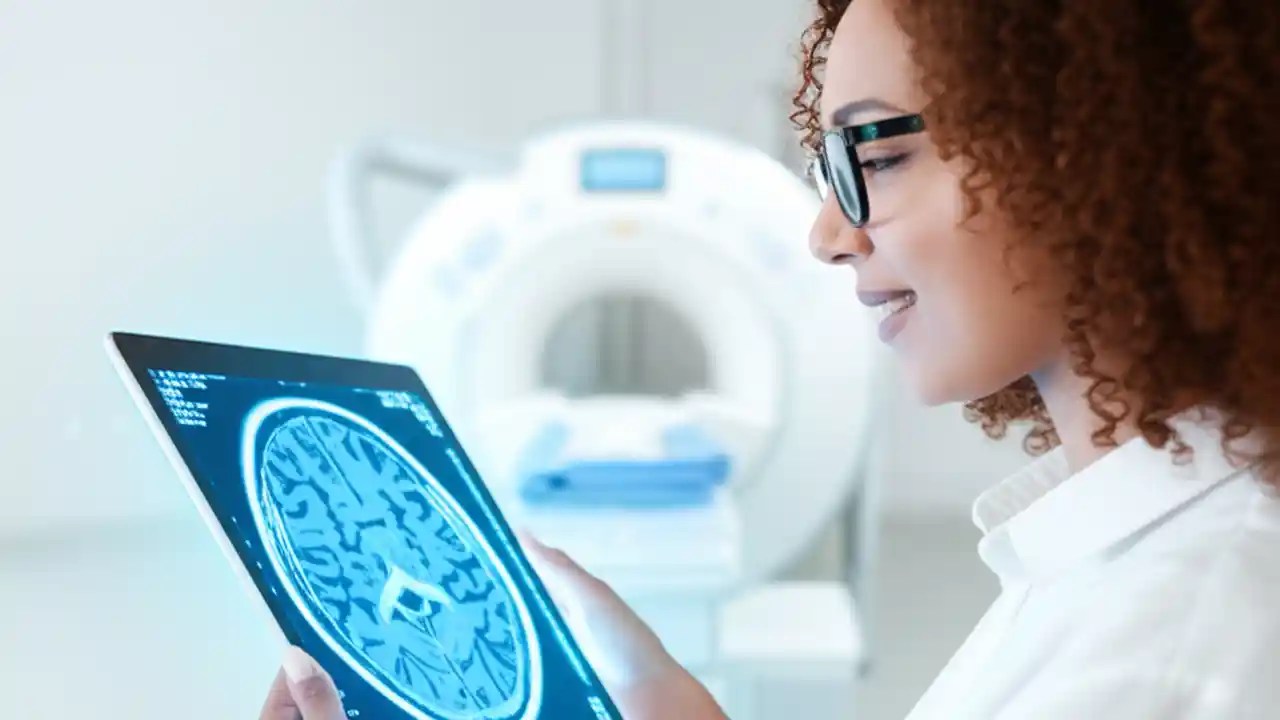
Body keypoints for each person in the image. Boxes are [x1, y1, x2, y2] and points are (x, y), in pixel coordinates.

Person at [259, 0, 1280, 717]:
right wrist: (668, 705)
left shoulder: (1171, 644)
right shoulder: (1111, 563)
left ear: (1098, 142)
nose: (826, 234)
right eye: (828, 170)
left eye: (877, 156)